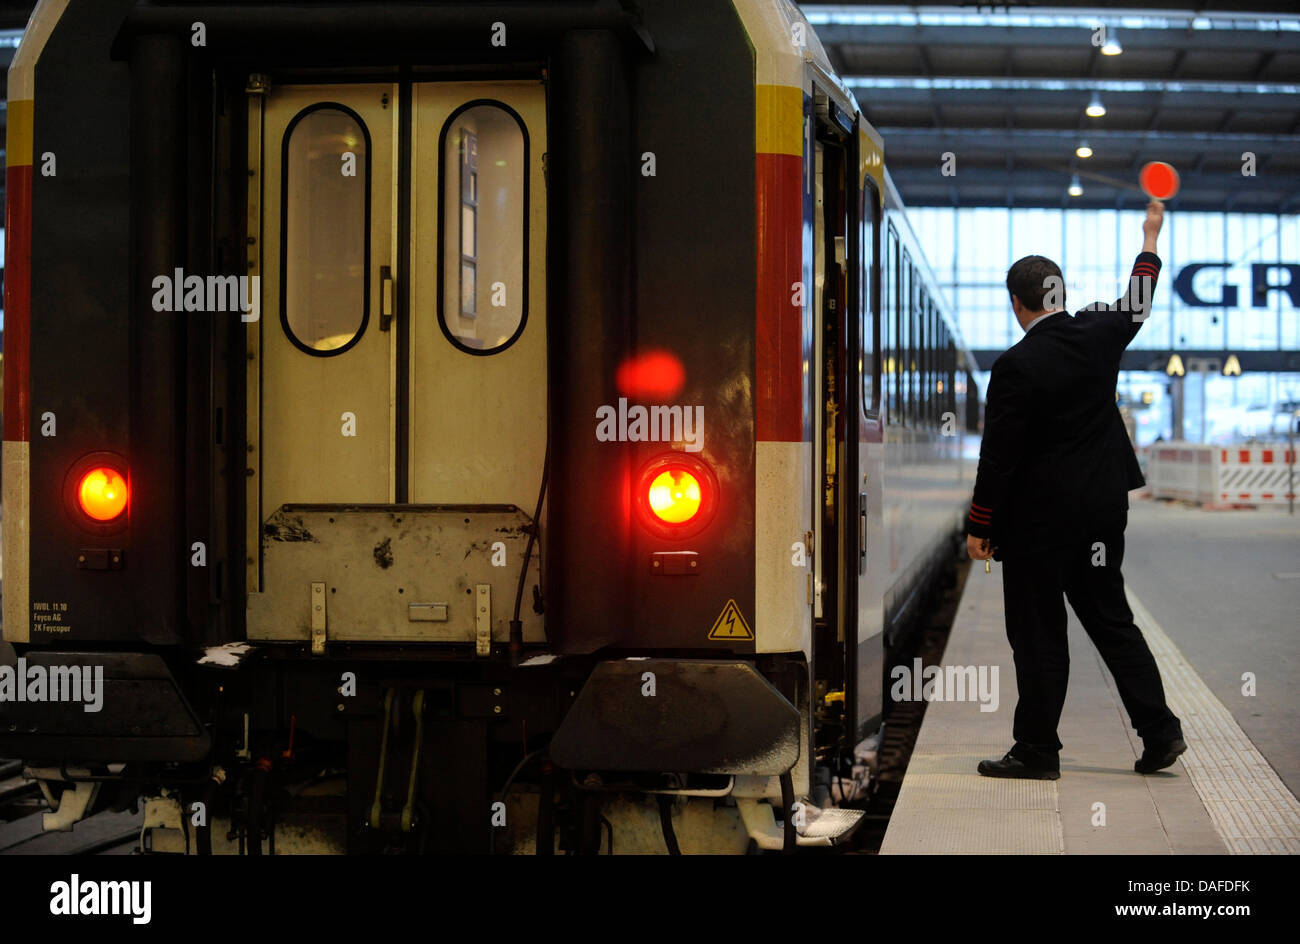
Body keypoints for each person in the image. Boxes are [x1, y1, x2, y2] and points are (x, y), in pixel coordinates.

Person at [965, 201, 1185, 780]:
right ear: (1058, 295)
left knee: (1038, 637)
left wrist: (980, 524)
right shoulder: (1098, 332)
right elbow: (1141, 292)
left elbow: (1000, 457)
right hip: (1100, 513)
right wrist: (1150, 234)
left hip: (1038, 527)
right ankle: (1161, 732)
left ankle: (1037, 750)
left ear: (1018, 304)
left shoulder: (1016, 365)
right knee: (1112, 620)